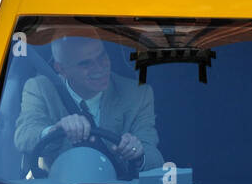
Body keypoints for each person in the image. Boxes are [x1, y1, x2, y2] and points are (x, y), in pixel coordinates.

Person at [15, 34, 162, 173]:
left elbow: (154, 159)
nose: (99, 68)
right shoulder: (40, 88)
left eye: (102, 56)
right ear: (61, 69)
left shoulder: (137, 94)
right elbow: (24, 136)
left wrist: (138, 154)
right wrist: (55, 130)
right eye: (85, 63)